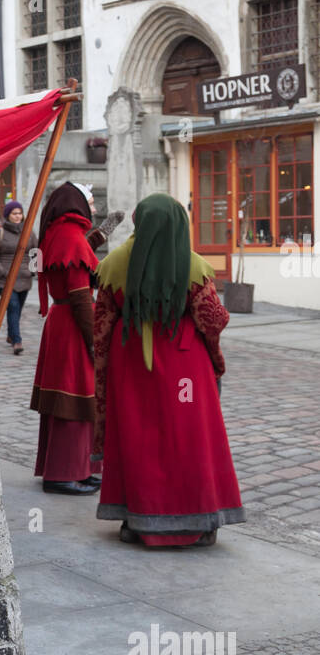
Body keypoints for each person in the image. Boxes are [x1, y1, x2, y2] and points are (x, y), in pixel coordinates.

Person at [92, 192, 245, 547]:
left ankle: (136, 518)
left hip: (130, 366)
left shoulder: (113, 264)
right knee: (189, 440)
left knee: (137, 438)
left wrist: (104, 370)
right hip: (185, 367)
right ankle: (199, 519)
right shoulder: (192, 265)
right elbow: (214, 320)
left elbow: (101, 328)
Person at [30, 182, 100, 493]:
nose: (94, 208)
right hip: (73, 324)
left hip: (59, 323)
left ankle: (76, 468)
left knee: (66, 399)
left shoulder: (57, 233)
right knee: (75, 398)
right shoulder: (71, 236)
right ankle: (64, 472)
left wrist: (96, 239)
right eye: (91, 202)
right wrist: (95, 337)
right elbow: (80, 292)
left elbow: (73, 263)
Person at [0, 199, 37, 354]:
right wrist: (3, 272)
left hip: (24, 279)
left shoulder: (29, 232)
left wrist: (33, 271)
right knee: (13, 306)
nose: (18, 216)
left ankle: (10, 334)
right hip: (5, 279)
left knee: (17, 309)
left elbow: (36, 252)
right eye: (14, 213)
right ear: (8, 215)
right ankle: (17, 341)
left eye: (20, 213)